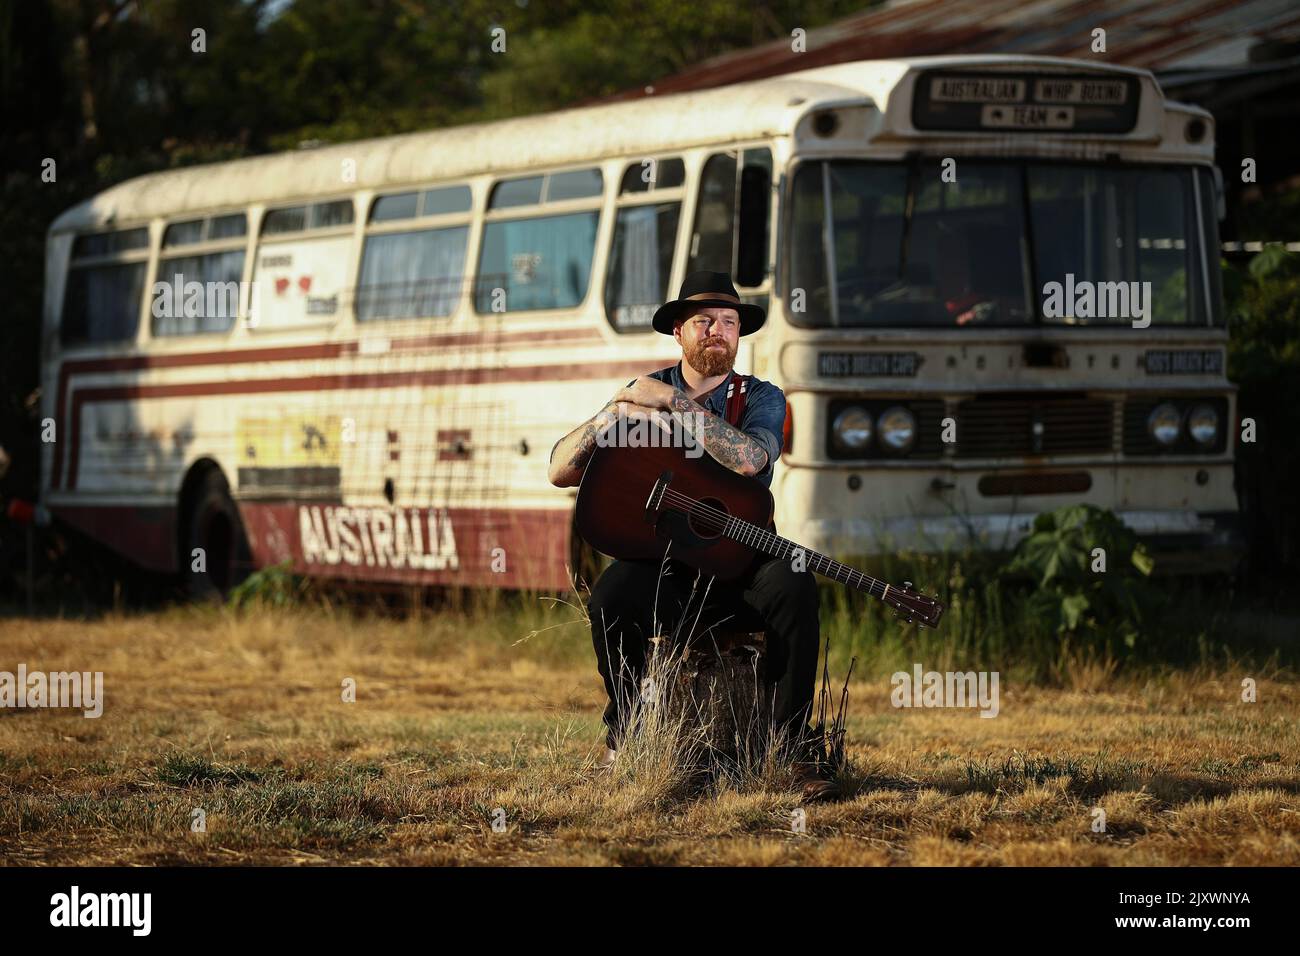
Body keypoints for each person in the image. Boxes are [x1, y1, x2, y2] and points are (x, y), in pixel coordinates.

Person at [547, 271, 837, 801]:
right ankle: (627, 736)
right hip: (668, 568)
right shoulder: (641, 395)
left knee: (795, 585)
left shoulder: (760, 397)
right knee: (612, 596)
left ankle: (792, 751)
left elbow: (750, 461)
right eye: (704, 321)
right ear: (678, 331)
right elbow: (560, 472)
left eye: (729, 322)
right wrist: (610, 416)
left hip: (744, 565)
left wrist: (676, 404)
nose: (718, 331)